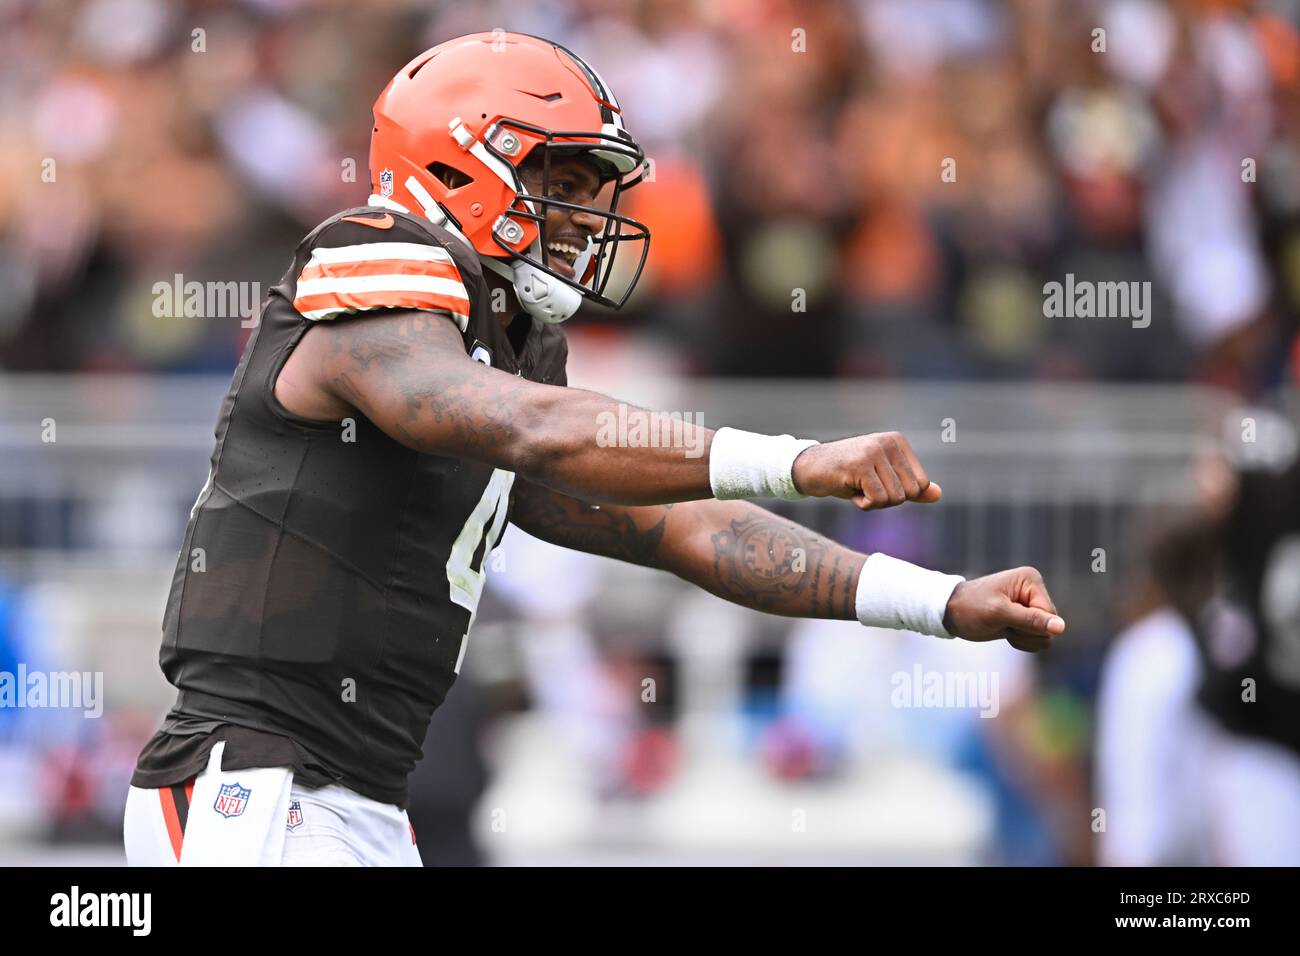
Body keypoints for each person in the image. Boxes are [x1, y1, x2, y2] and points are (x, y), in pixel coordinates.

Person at [122, 32, 1065, 866]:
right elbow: (529, 425)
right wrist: (796, 457)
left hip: (359, 801)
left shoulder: (505, 342)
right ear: (456, 166)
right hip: (254, 783)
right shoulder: (374, 255)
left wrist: (937, 602)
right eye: (559, 183)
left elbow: (689, 532)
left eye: (589, 190)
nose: (581, 216)